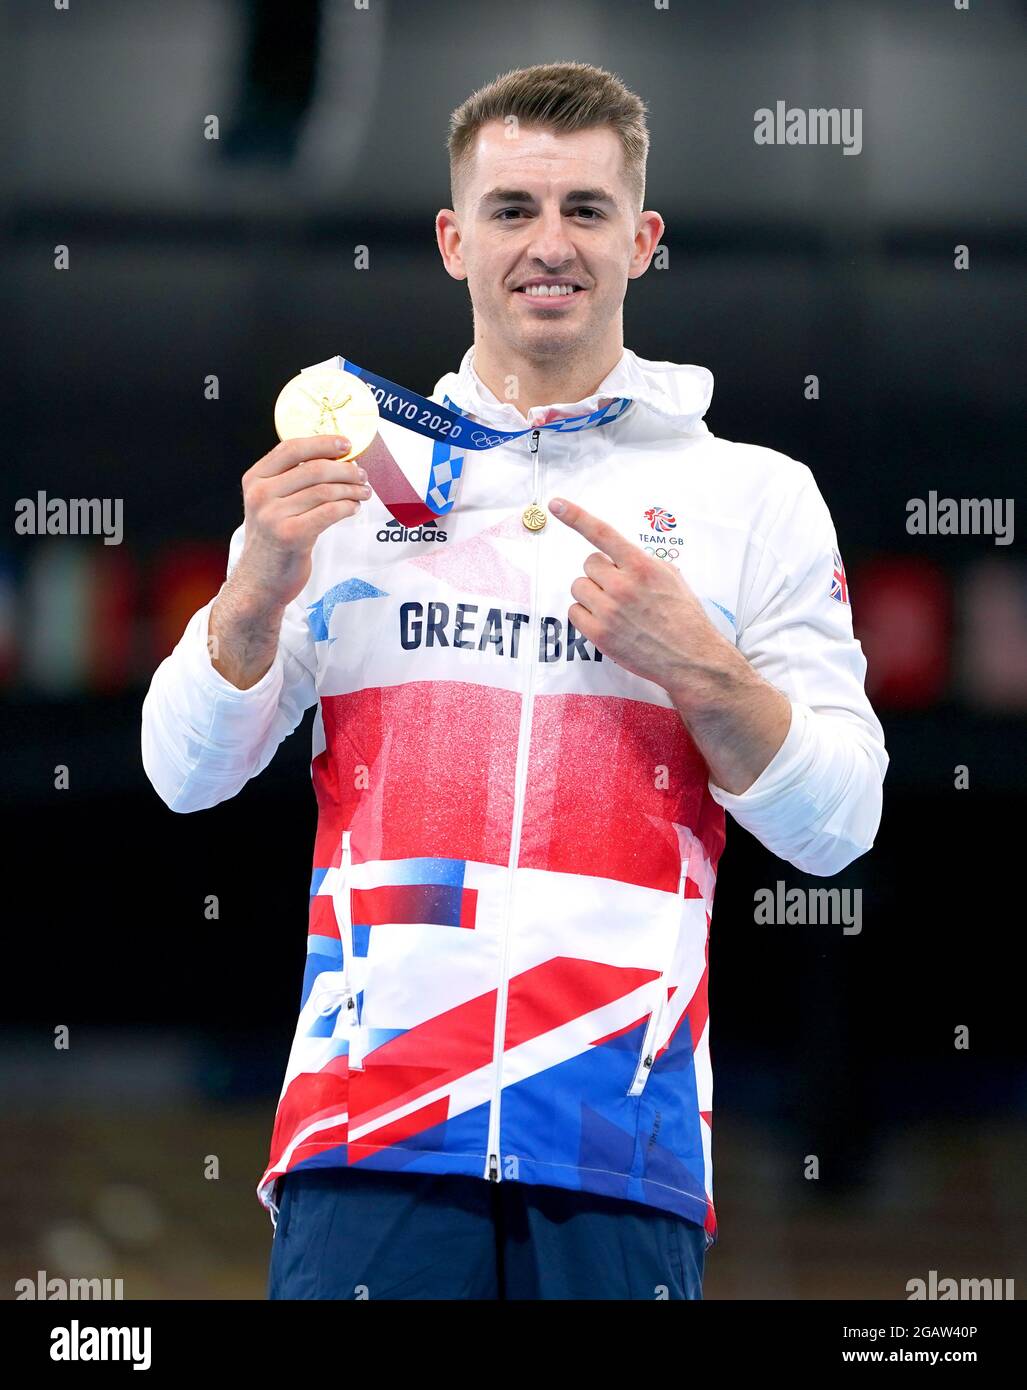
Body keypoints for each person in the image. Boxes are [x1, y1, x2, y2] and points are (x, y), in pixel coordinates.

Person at [141, 61, 887, 1300]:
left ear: (643, 240)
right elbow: (183, 774)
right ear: (453, 240)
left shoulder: (753, 496)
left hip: (619, 1144)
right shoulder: (342, 484)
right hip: (362, 1134)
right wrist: (255, 590)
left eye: (586, 210)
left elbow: (838, 824)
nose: (551, 244)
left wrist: (699, 666)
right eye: (512, 210)